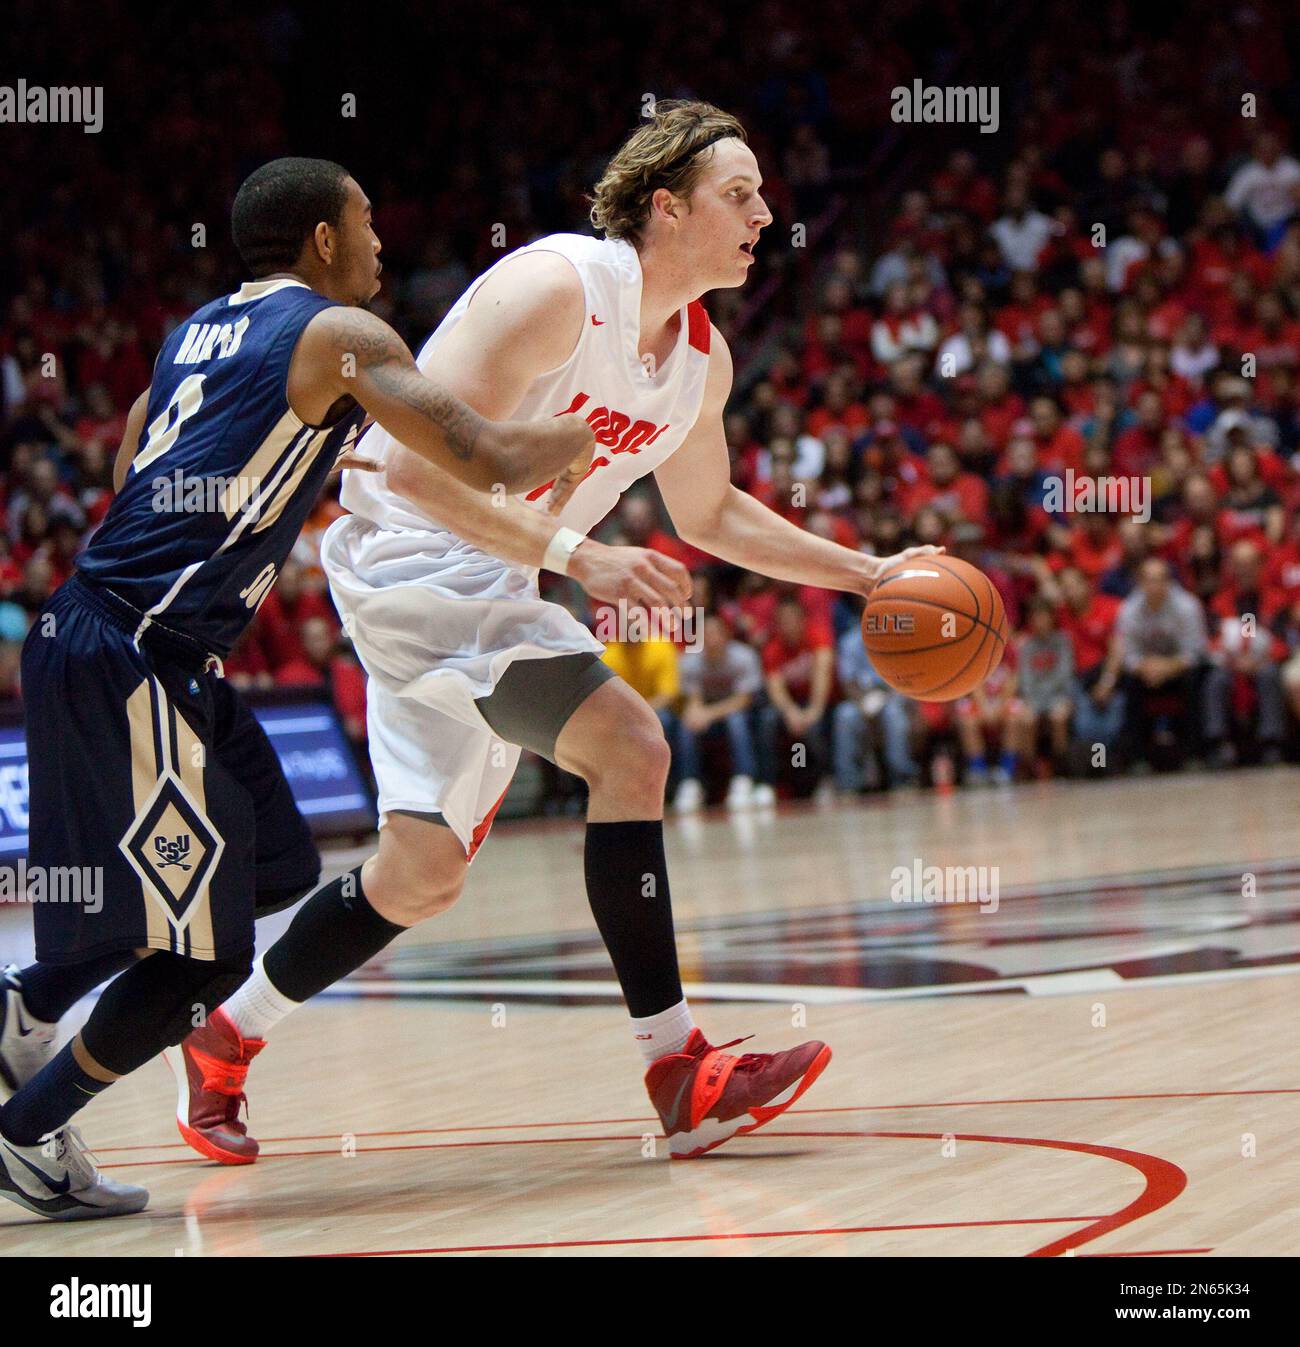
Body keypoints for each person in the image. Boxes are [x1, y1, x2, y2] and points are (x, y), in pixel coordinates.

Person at [177, 102, 939, 1164]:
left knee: (419, 875)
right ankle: (678, 1068)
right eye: (739, 193)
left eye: (763, 195)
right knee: (630, 745)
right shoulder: (557, 288)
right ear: (663, 206)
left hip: (496, 572)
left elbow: (709, 513)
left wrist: (866, 574)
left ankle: (221, 1037)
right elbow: (407, 472)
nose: (766, 213)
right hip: (413, 560)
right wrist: (583, 559)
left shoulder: (699, 361)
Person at [0, 157, 594, 1219]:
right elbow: (492, 455)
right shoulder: (342, 337)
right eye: (366, 220)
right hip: (136, 649)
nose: (379, 241)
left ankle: (27, 1005)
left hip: (137, 641)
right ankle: (24, 1130)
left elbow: (136, 459)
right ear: (322, 240)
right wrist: (588, 429)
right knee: (205, 961)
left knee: (271, 865)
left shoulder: (194, 332)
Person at [670, 614, 770, 812]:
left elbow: (743, 700)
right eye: (705, 634)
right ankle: (690, 783)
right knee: (686, 722)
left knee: (736, 720)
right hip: (708, 713)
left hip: (742, 713)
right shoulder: (690, 661)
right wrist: (695, 713)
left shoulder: (744, 656)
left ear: (727, 635)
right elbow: (693, 699)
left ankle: (744, 779)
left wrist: (708, 714)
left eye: (715, 633)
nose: (711, 638)